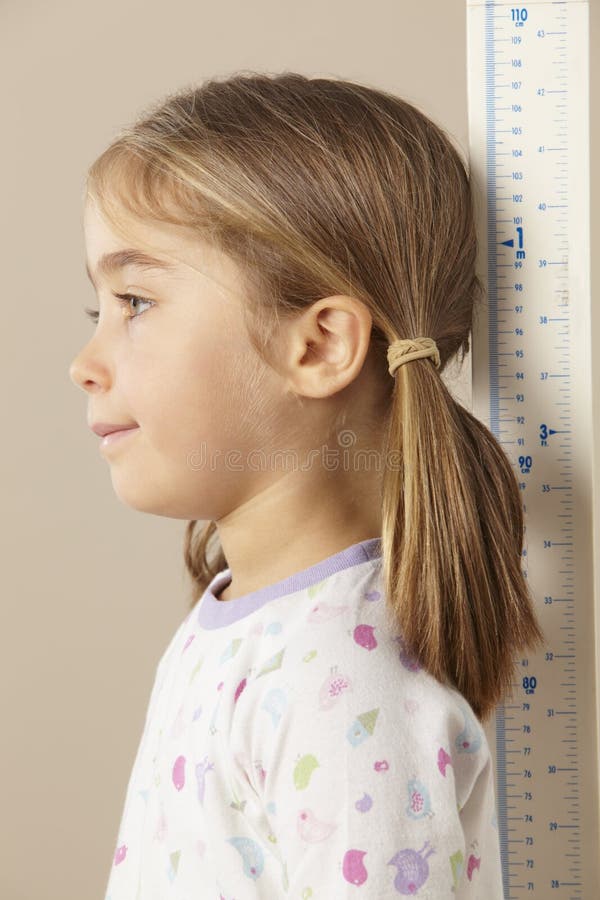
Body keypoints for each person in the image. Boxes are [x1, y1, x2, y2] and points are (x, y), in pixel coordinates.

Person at [69, 71, 545, 899]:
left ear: (320, 346)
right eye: (98, 310)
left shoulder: (346, 684)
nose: (85, 365)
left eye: (136, 301)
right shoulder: (243, 623)